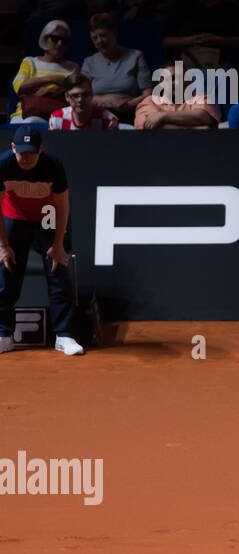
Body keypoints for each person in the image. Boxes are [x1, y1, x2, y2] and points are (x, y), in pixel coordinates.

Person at [0, 126, 84, 356]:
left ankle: (64, 335)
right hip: (14, 216)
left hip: (47, 216)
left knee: (57, 269)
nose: (26, 158)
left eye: (32, 153)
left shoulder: (53, 166)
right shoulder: (3, 165)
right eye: (22, 153)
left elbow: (62, 206)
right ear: (13, 148)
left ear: (41, 150)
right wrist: (3, 245)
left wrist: (57, 245)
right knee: (6, 271)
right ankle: (3, 334)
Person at [12, 21, 79, 122]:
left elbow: (75, 92)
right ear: (45, 39)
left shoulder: (73, 67)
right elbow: (19, 86)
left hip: (58, 116)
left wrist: (49, 90)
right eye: (55, 39)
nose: (60, 44)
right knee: (31, 121)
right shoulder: (30, 62)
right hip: (25, 114)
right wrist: (52, 79)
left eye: (64, 41)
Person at [133, 66, 220, 130]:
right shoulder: (150, 101)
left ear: (188, 81)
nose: (177, 83)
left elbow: (202, 116)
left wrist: (163, 115)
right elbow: (148, 126)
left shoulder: (202, 97)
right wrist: (195, 128)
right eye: (172, 78)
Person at [47, 74, 119, 130]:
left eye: (85, 94)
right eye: (75, 96)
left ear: (91, 95)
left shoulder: (109, 119)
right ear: (67, 97)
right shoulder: (57, 118)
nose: (80, 99)